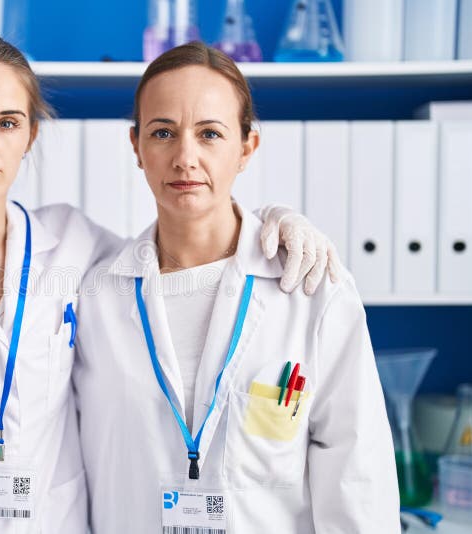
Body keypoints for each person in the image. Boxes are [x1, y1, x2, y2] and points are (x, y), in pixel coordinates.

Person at [0, 33, 340, 533]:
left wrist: (277, 220)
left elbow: (186, 242)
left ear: (29, 135)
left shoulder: (77, 248)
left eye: (8, 122)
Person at [73, 42, 400, 533]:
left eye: (210, 134)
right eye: (163, 133)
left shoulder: (310, 288)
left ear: (247, 147)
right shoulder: (96, 296)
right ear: (137, 147)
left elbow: (359, 483)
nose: (186, 157)